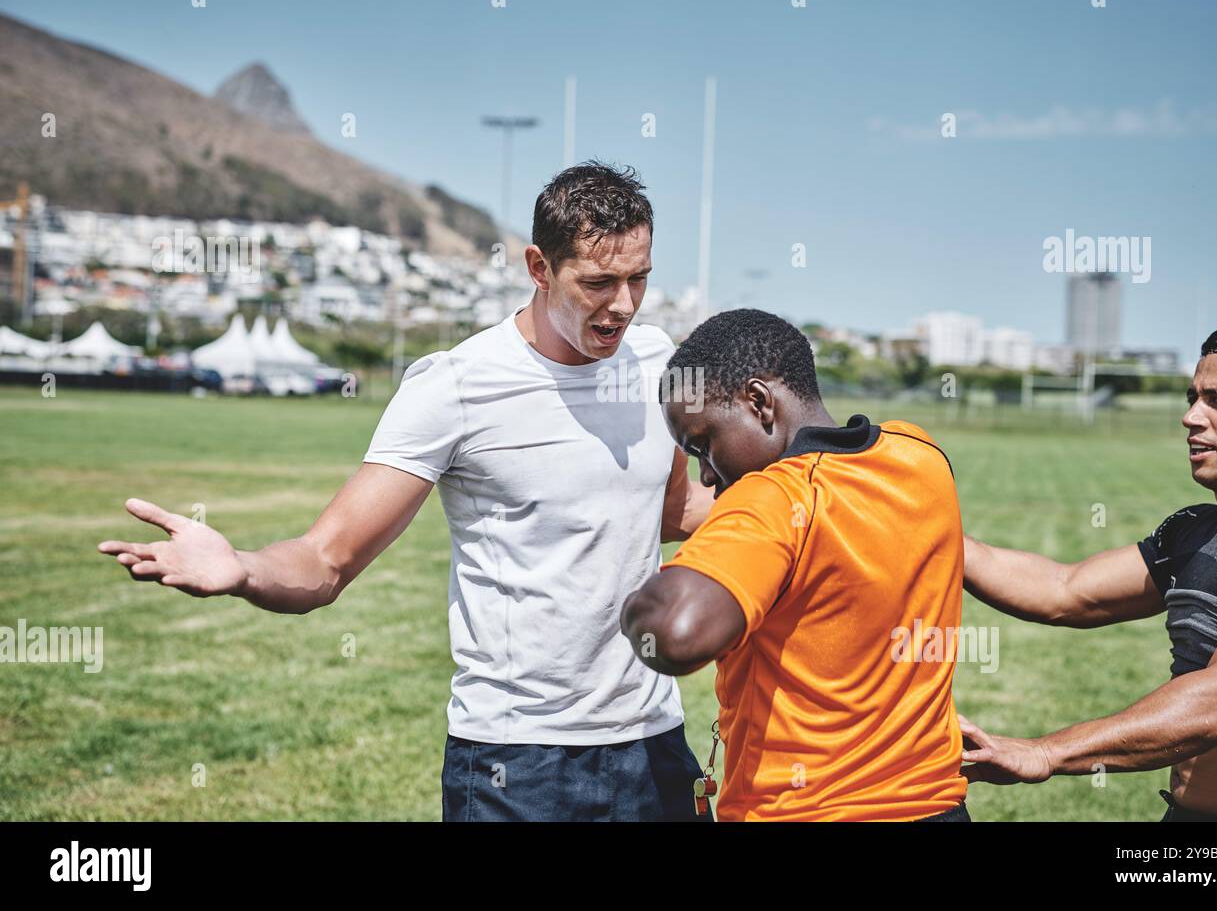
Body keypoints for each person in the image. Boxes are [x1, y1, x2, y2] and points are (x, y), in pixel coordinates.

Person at [97, 161, 715, 821]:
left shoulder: (656, 359)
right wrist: (242, 567)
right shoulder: (455, 386)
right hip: (519, 762)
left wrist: (799, 504)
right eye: (598, 282)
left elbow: (672, 508)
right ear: (539, 266)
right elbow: (326, 558)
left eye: (638, 278)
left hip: (652, 744)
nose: (622, 303)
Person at [620, 308, 969, 821]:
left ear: (759, 403)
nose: (708, 476)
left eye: (704, 444)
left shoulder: (774, 495)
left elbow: (675, 632)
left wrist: (627, 597)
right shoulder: (919, 454)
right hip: (937, 805)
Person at [961, 322, 1217, 821]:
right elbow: (1064, 590)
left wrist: (1046, 751)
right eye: (1192, 397)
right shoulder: (1195, 530)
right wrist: (922, 531)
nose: (1191, 417)